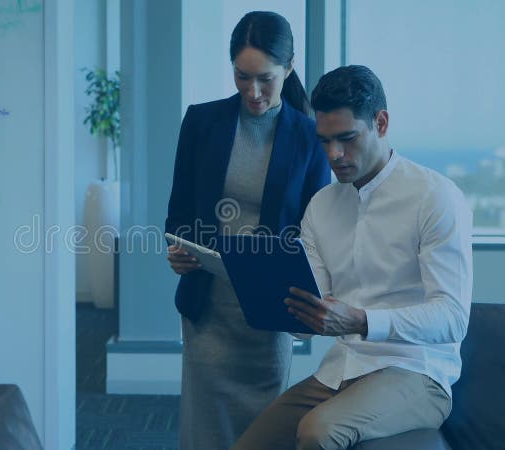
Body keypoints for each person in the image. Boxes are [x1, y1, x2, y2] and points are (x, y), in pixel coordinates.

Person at [232, 65, 473, 450]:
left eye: (346, 138)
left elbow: (452, 318)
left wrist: (362, 320)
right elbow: (310, 320)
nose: (334, 155)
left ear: (381, 123)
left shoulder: (436, 197)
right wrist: (282, 306)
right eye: (324, 141)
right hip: (341, 368)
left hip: (416, 372)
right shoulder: (322, 205)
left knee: (318, 431)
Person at [165, 11, 331, 450]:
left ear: (289, 68)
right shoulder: (202, 123)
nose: (253, 92)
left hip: (267, 310)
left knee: (264, 431)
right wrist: (178, 249)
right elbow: (179, 213)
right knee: (205, 429)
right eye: (242, 77)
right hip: (208, 307)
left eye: (266, 79)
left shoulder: (310, 137)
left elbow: (315, 232)